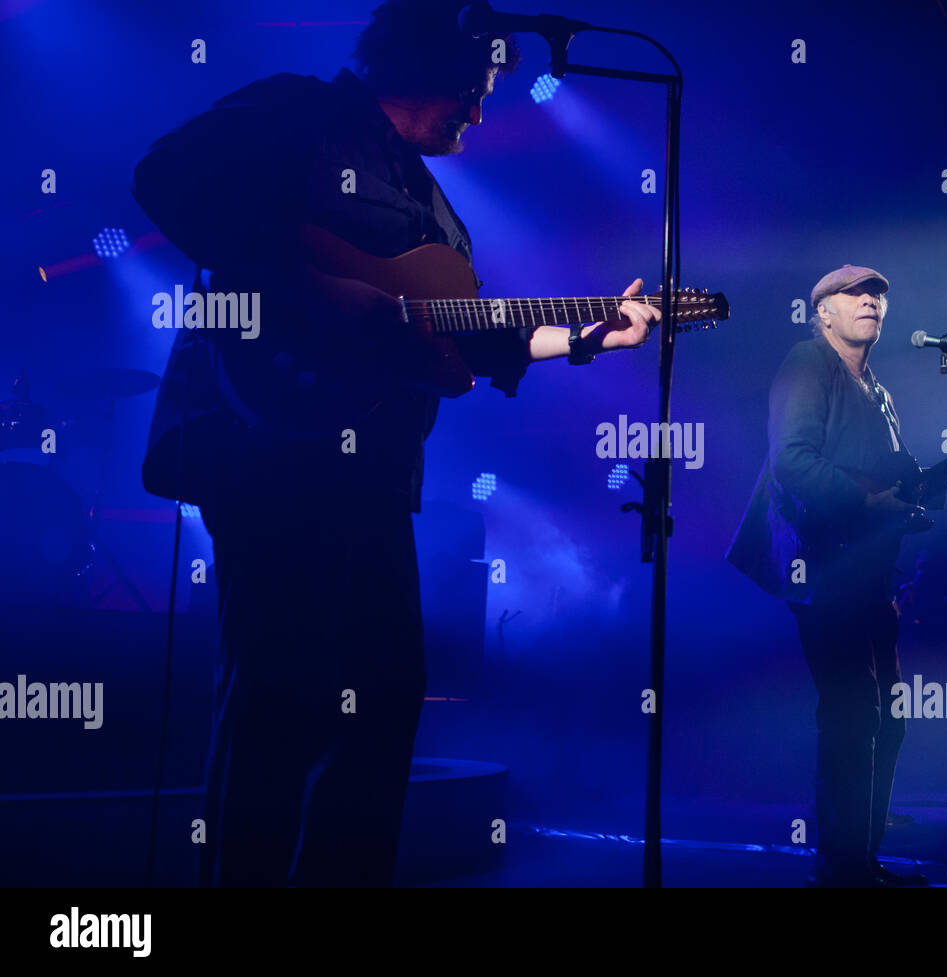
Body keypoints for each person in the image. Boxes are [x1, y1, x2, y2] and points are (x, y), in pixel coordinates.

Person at [131, 0, 659, 887]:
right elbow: (165, 174)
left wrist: (584, 334)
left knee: (384, 697)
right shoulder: (297, 111)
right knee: (276, 699)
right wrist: (315, 288)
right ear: (429, 62)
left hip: (375, 471)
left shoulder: (436, 208)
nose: (481, 112)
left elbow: (467, 332)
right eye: (478, 88)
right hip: (266, 443)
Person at [727, 264, 936, 888]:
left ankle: (862, 859)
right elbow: (791, 459)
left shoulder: (879, 390)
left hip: (868, 574)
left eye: (878, 295)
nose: (871, 301)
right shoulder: (806, 362)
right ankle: (842, 868)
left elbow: (899, 475)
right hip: (818, 565)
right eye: (857, 295)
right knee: (850, 712)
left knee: (887, 717)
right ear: (824, 312)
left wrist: (922, 495)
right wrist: (866, 505)